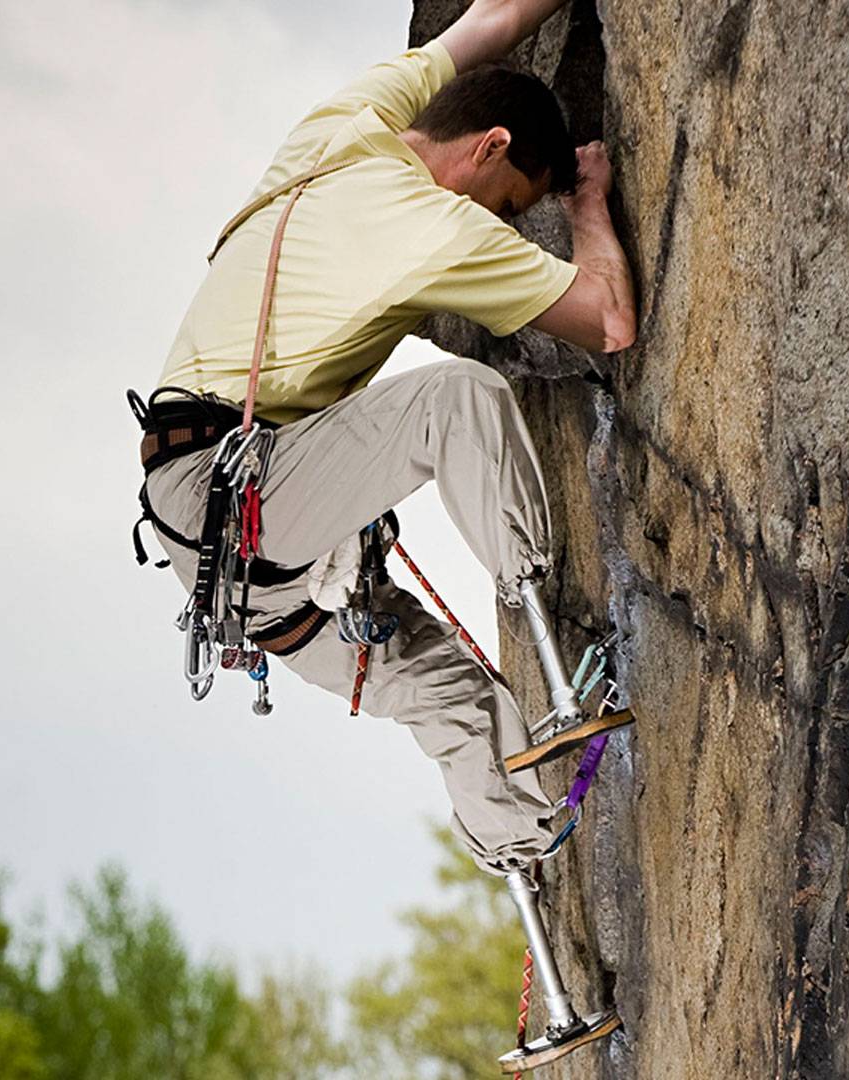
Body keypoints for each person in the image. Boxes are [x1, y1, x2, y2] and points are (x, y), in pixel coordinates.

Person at [131, 0, 637, 1067]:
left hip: (228, 562)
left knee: (453, 700)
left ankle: (546, 953)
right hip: (243, 495)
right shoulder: (435, 227)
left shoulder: (344, 124)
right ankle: (538, 621)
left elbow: (489, 24)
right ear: (490, 150)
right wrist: (588, 204)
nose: (503, 227)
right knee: (452, 403)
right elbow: (609, 322)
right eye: (511, 201)